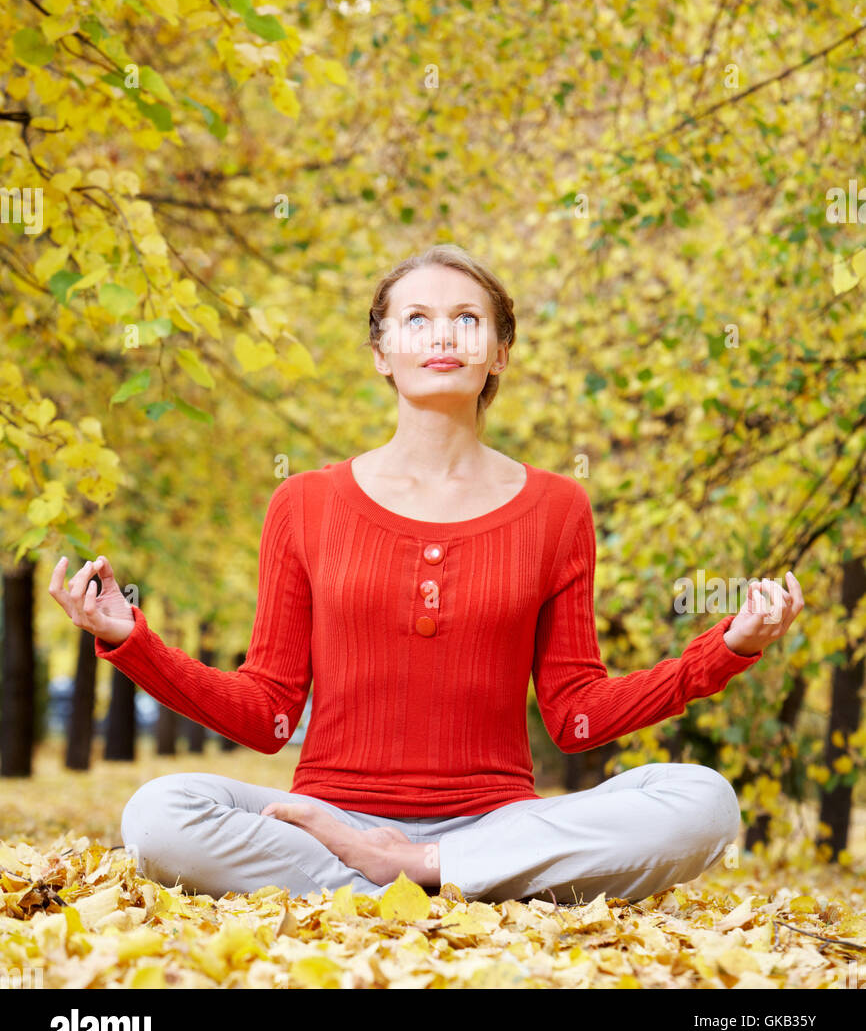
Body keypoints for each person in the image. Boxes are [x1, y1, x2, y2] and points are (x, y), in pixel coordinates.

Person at [48, 244, 804, 906]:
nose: (442, 333)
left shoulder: (557, 507)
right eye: (416, 319)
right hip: (327, 824)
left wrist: (725, 649)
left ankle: (424, 869)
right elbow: (268, 714)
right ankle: (464, 882)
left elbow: (577, 718)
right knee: (159, 813)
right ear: (382, 352)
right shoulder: (304, 503)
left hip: (495, 819)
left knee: (701, 801)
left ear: (498, 353)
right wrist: (130, 639)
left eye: (467, 319)